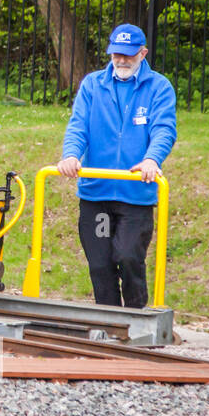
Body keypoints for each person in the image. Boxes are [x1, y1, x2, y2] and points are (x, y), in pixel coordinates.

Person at [56, 24, 177, 308]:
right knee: (100, 263)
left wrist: (151, 159)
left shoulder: (158, 87)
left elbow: (164, 129)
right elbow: (78, 126)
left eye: (128, 55)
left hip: (134, 196)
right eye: (116, 54)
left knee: (128, 256)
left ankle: (135, 317)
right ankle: (109, 322)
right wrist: (71, 154)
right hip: (97, 195)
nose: (121, 60)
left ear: (143, 53)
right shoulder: (93, 85)